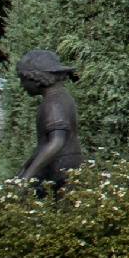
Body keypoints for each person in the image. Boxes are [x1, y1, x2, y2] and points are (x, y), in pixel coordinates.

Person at [12, 48, 82, 189]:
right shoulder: (60, 97)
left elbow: (55, 143)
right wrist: (23, 173)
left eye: (23, 80)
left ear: (36, 78)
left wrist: (26, 179)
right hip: (63, 168)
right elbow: (43, 146)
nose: (22, 85)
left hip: (59, 171)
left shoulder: (53, 104)